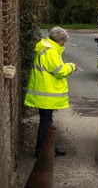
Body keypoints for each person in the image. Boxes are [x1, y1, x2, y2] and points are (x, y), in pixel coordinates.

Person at [24, 26, 77, 157]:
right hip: (46, 93)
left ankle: (48, 146)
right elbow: (59, 71)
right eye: (64, 42)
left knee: (47, 120)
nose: (64, 44)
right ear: (60, 41)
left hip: (43, 91)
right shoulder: (51, 52)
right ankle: (42, 150)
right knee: (46, 122)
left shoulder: (47, 49)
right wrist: (71, 66)